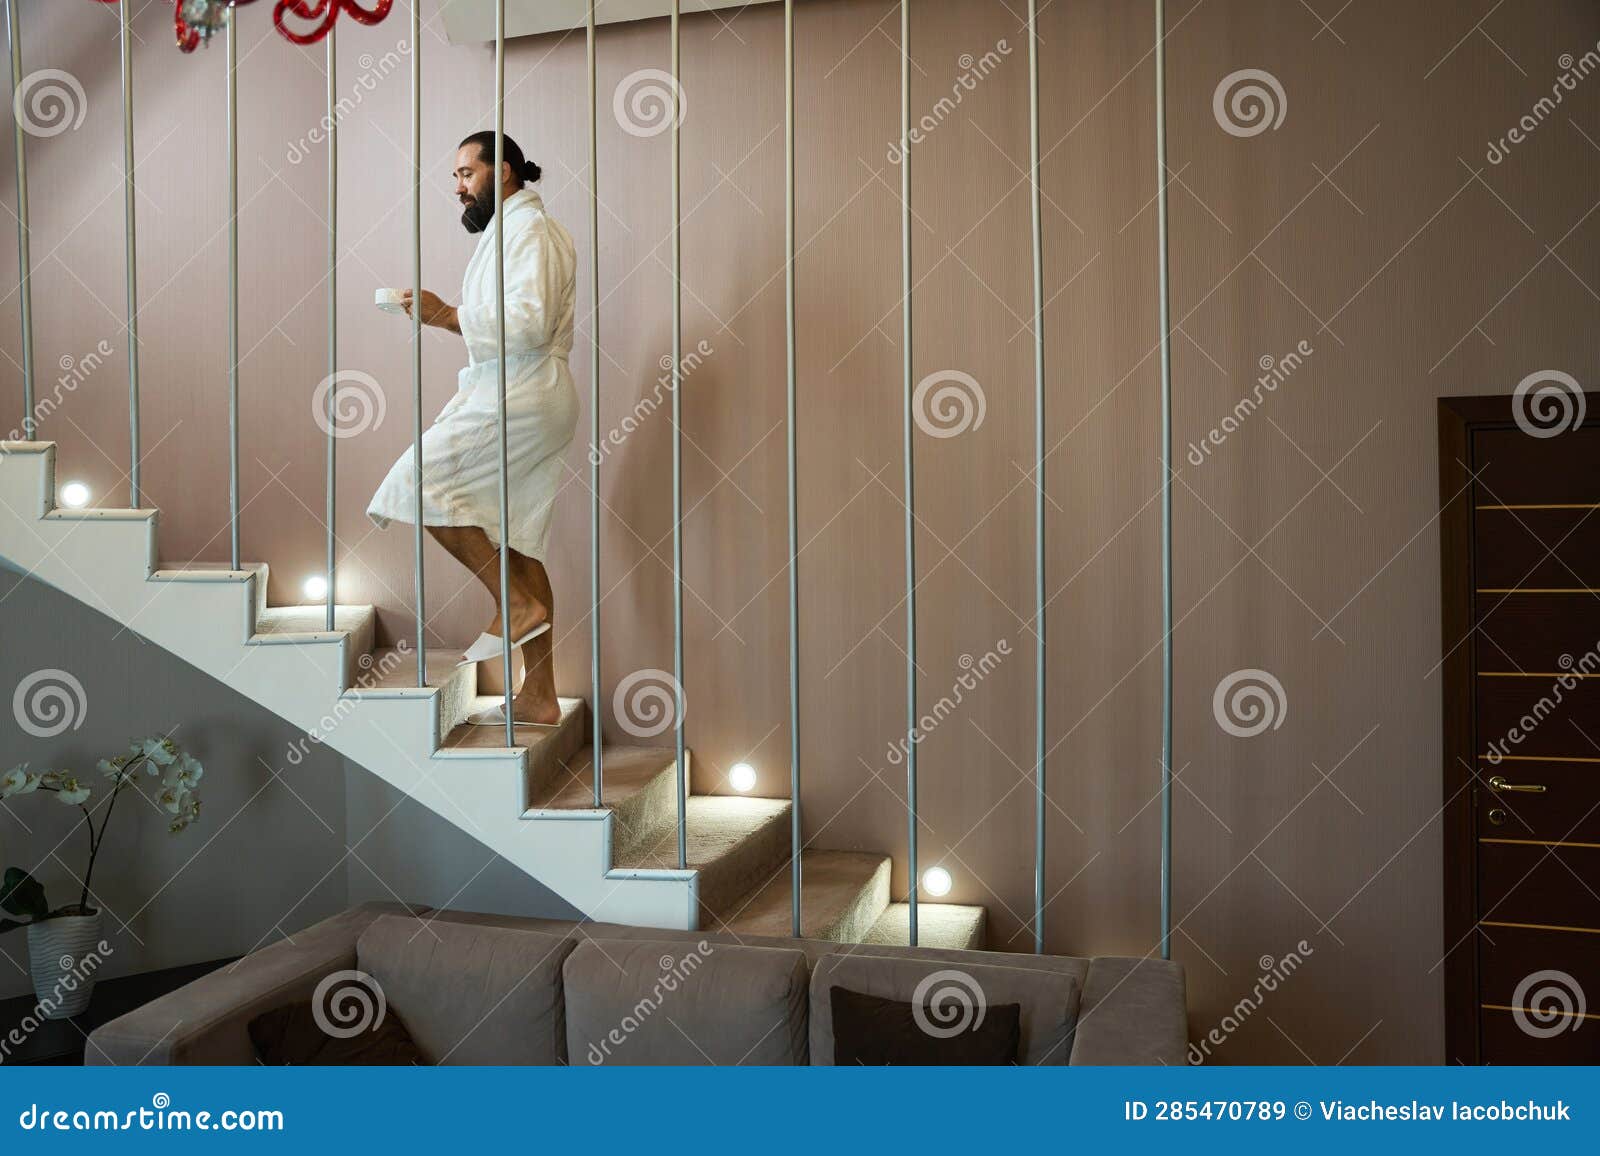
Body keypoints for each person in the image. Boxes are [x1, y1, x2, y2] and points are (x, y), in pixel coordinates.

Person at [367, 131, 578, 727]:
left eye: (467, 173)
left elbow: (531, 322)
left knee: (418, 481)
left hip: (522, 390)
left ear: (503, 171)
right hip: (522, 390)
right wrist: (443, 316)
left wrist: (447, 316)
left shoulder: (530, 231)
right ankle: (539, 694)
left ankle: (515, 603)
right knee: (518, 541)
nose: (458, 188)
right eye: (456, 177)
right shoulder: (512, 231)